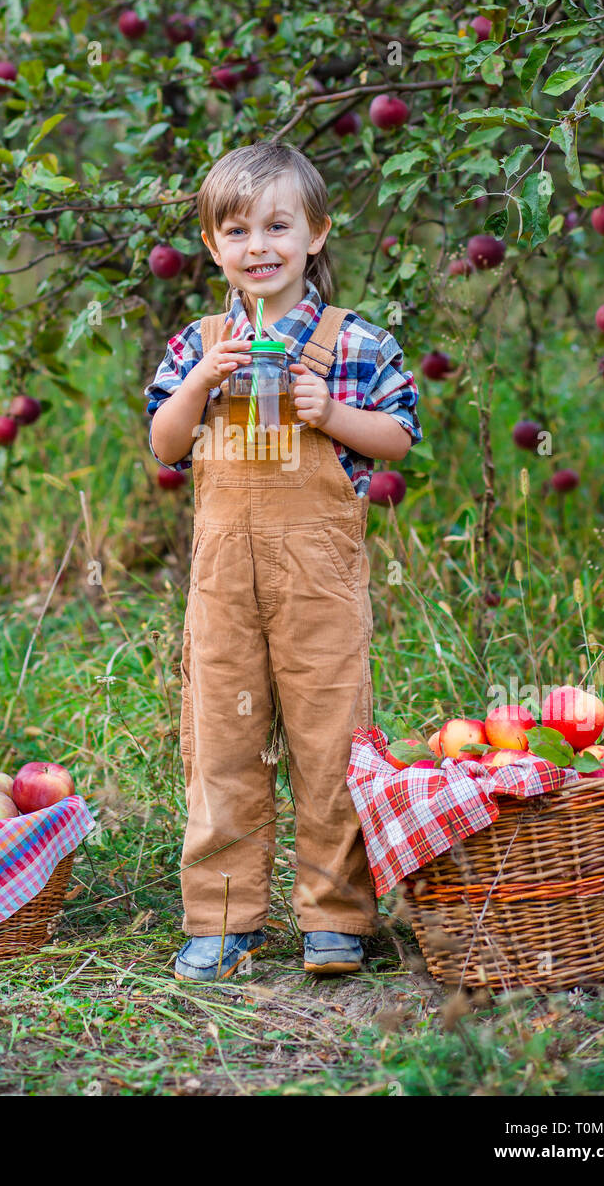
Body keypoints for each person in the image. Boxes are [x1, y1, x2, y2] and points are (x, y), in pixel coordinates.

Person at [144, 140, 423, 981]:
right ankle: (223, 920)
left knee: (330, 743)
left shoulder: (352, 343)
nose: (259, 245)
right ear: (213, 245)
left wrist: (332, 411)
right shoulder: (200, 342)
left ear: (315, 234)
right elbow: (164, 445)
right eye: (238, 230)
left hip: (317, 586)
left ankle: (335, 918)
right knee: (220, 745)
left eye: (278, 225)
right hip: (224, 584)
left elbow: (399, 441)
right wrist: (198, 387)